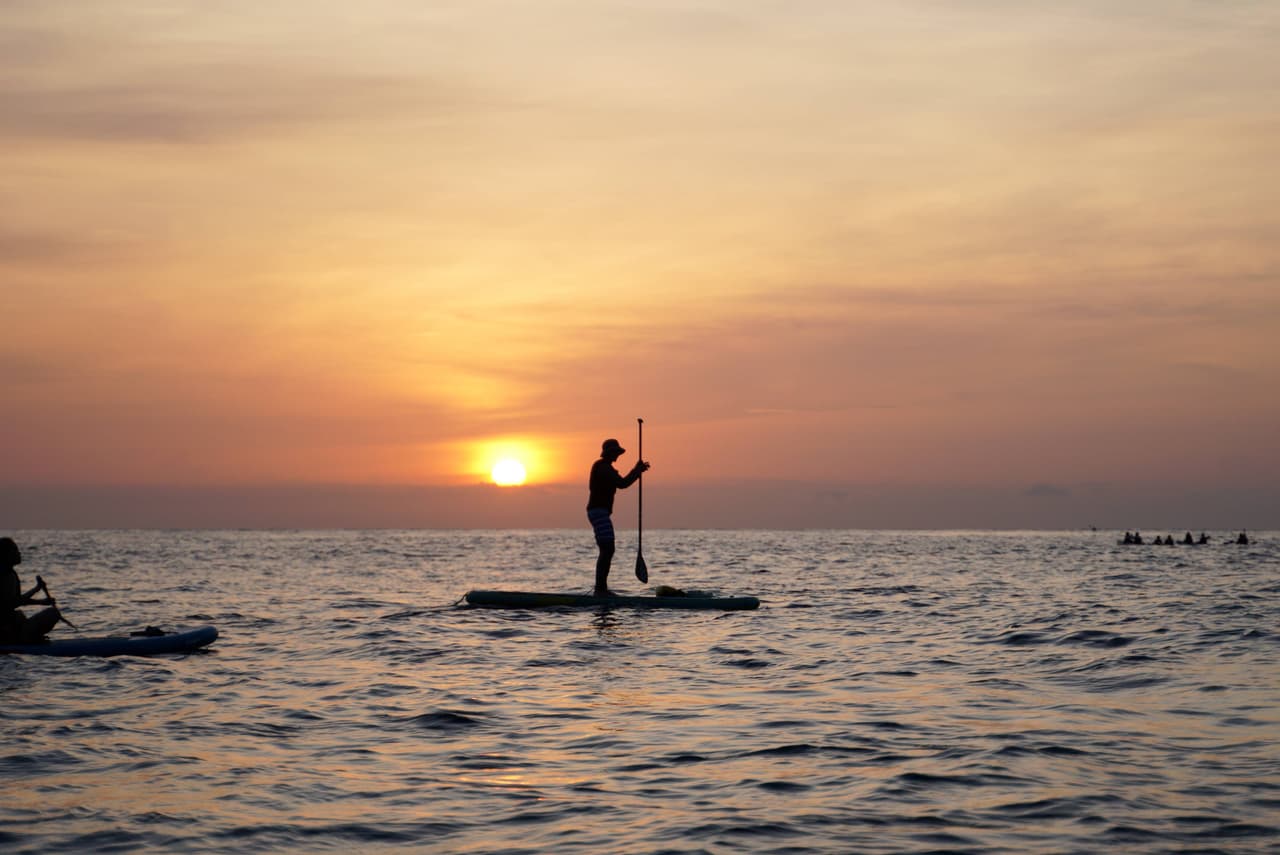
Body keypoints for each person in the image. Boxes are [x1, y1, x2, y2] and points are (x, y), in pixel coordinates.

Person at [586, 438, 650, 596]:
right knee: (607, 548)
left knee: (608, 549)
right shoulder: (602, 467)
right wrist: (637, 471)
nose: (617, 456)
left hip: (600, 512)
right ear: (609, 453)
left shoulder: (606, 468)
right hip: (598, 511)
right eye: (615, 453)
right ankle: (600, 590)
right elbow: (622, 483)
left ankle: (601, 589)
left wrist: (637, 470)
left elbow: (622, 483)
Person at [0, 537, 63, 644]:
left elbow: (16, 600)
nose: (19, 553)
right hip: (8, 632)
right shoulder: (6, 575)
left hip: (9, 629)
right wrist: (38, 594)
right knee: (53, 613)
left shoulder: (7, 573)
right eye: (15, 550)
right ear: (5, 555)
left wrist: (40, 597)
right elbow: (13, 603)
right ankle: (26, 639)